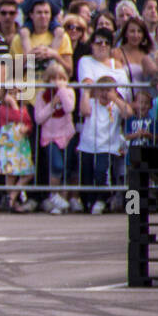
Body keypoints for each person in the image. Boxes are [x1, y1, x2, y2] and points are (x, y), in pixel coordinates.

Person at [77, 76, 129, 213]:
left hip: (107, 147)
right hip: (87, 146)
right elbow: (84, 111)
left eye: (108, 90)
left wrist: (116, 98)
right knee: (86, 176)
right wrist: (87, 92)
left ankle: (102, 199)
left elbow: (128, 113)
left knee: (101, 173)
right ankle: (87, 202)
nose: (105, 93)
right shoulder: (92, 102)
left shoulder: (116, 106)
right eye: (101, 90)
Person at [34, 62, 77, 214]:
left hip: (66, 135)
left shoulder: (70, 92)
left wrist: (62, 92)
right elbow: (39, 118)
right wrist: (52, 104)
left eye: (61, 78)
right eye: (53, 78)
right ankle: (54, 196)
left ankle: (61, 203)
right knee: (56, 166)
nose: (57, 81)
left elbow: (69, 108)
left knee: (65, 169)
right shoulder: (41, 95)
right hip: (50, 137)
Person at [0, 82, 35, 211]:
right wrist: (13, 104)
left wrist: (27, 129)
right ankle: (11, 202)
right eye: (11, 93)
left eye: (16, 93)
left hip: (21, 146)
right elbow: (18, 118)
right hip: (9, 146)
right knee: (10, 174)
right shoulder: (3, 109)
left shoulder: (24, 108)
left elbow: (28, 123)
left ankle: (11, 197)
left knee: (28, 173)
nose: (14, 96)